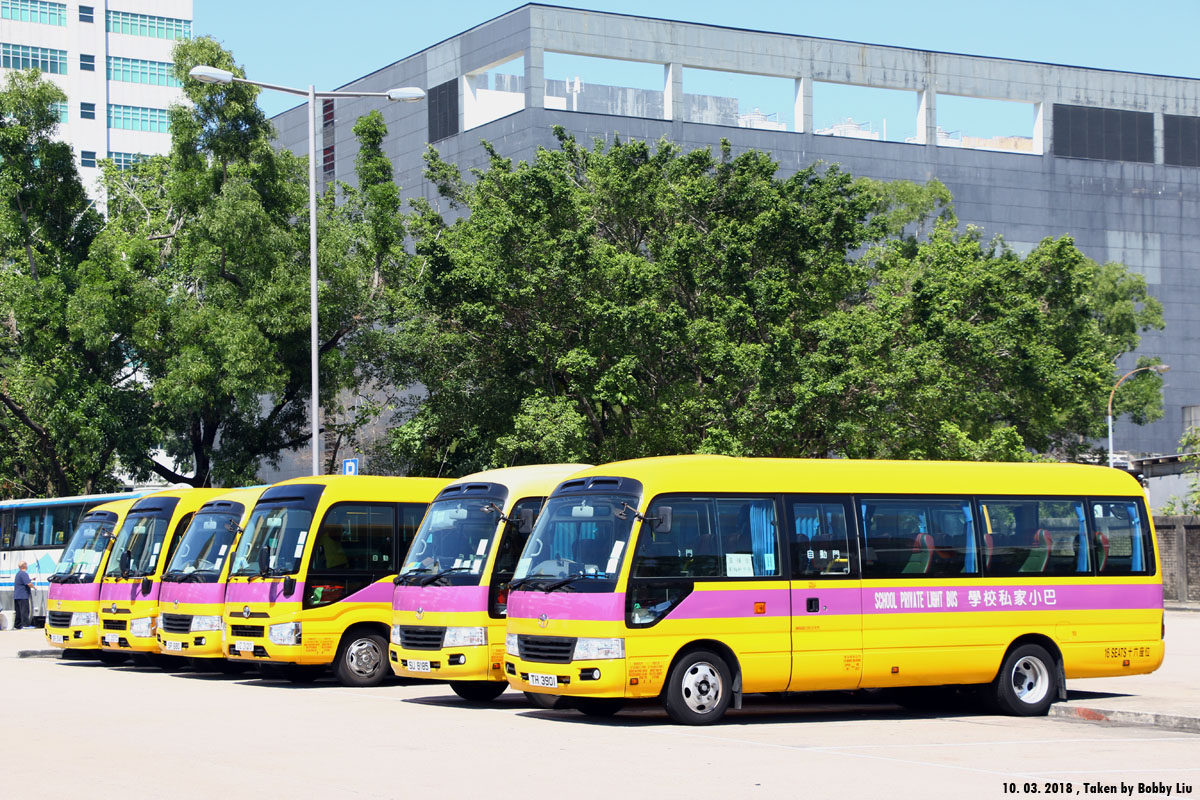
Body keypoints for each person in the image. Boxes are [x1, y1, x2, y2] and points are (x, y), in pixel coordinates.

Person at [13, 561, 33, 629]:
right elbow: (28, 583)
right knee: (24, 610)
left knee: (18, 611)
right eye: (26, 564)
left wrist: (31, 579)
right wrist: (34, 587)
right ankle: (25, 625)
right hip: (23, 595)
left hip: (17, 595)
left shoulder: (18, 574)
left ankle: (17, 625)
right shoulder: (24, 574)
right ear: (24, 566)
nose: (27, 565)